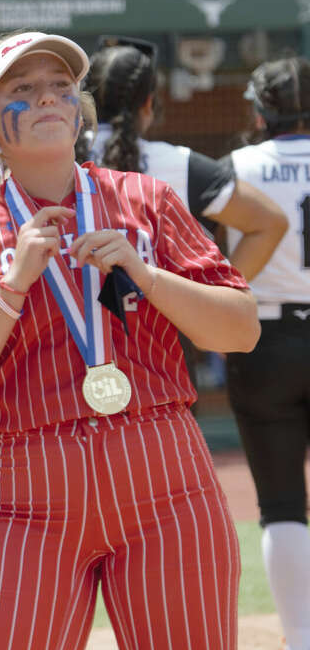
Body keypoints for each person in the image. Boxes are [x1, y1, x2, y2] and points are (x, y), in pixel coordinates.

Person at [0, 30, 260, 649]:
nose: (46, 98)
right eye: (22, 89)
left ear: (80, 109)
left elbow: (240, 329)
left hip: (163, 476)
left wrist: (148, 277)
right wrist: (11, 286)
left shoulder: (146, 201)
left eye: (60, 87)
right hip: (26, 492)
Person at [224, 57, 310, 650]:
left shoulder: (236, 165)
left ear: (260, 110)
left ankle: (301, 637)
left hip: (266, 340)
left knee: (281, 504)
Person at [84, 34, 286, 277]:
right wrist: (216, 298)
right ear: (148, 104)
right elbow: (271, 222)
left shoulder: (50, 158)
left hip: (66, 312)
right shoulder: (181, 164)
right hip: (161, 310)